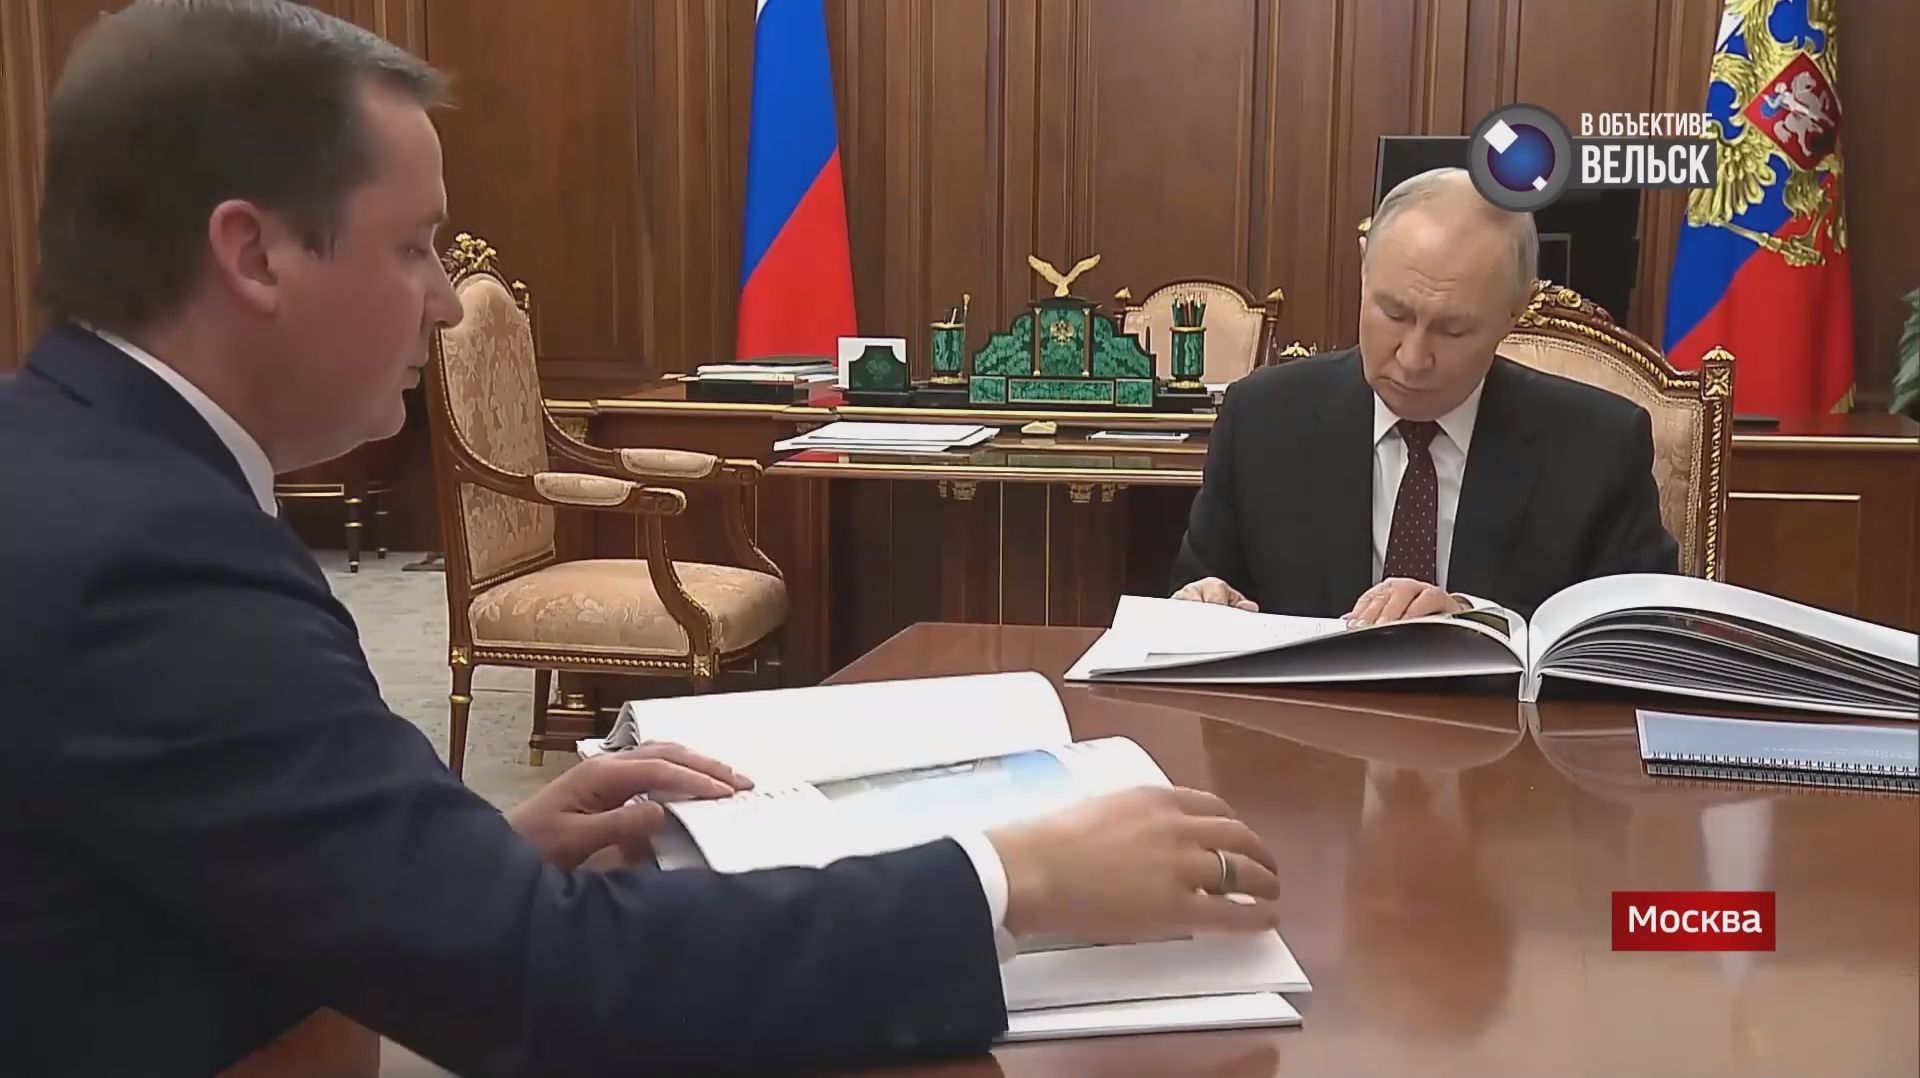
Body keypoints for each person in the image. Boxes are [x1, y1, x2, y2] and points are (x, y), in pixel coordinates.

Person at [0, 3, 1281, 1075]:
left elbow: (189, 873)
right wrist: (1011, 878)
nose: (444, 301)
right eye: (414, 245)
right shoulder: (147, 562)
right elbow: (550, 991)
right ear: (254, 254)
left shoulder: (81, 462)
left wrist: (470, 866)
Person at [1170, 167, 1677, 624]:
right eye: (1394, 313)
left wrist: (1476, 624)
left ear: (1514, 312)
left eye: (1453, 330)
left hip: (1500, 703)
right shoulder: (1261, 420)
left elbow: (1641, 643)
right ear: (1364, 268)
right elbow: (1201, 596)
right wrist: (1204, 605)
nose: (1412, 359)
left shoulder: (1598, 447)